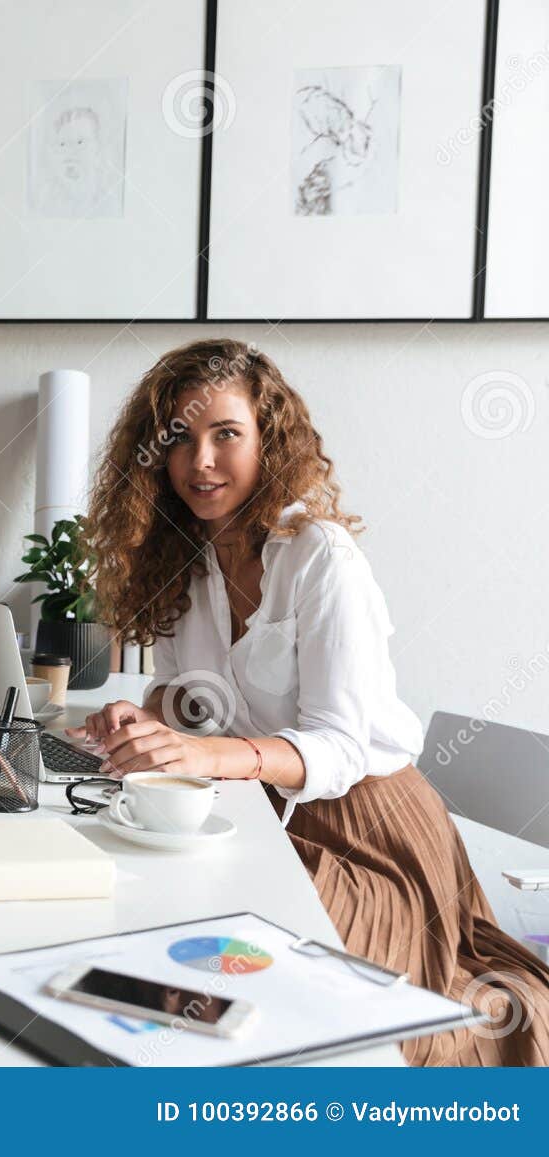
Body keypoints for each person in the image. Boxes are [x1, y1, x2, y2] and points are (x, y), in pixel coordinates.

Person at [69, 338, 549, 1065]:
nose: (200, 461)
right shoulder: (184, 560)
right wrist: (155, 713)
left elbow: (340, 744)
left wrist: (205, 753)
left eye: (225, 434)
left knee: (271, 999)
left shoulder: (320, 556)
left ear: (268, 440)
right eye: (179, 439)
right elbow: (196, 693)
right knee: (167, 942)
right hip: (260, 812)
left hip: (370, 831)